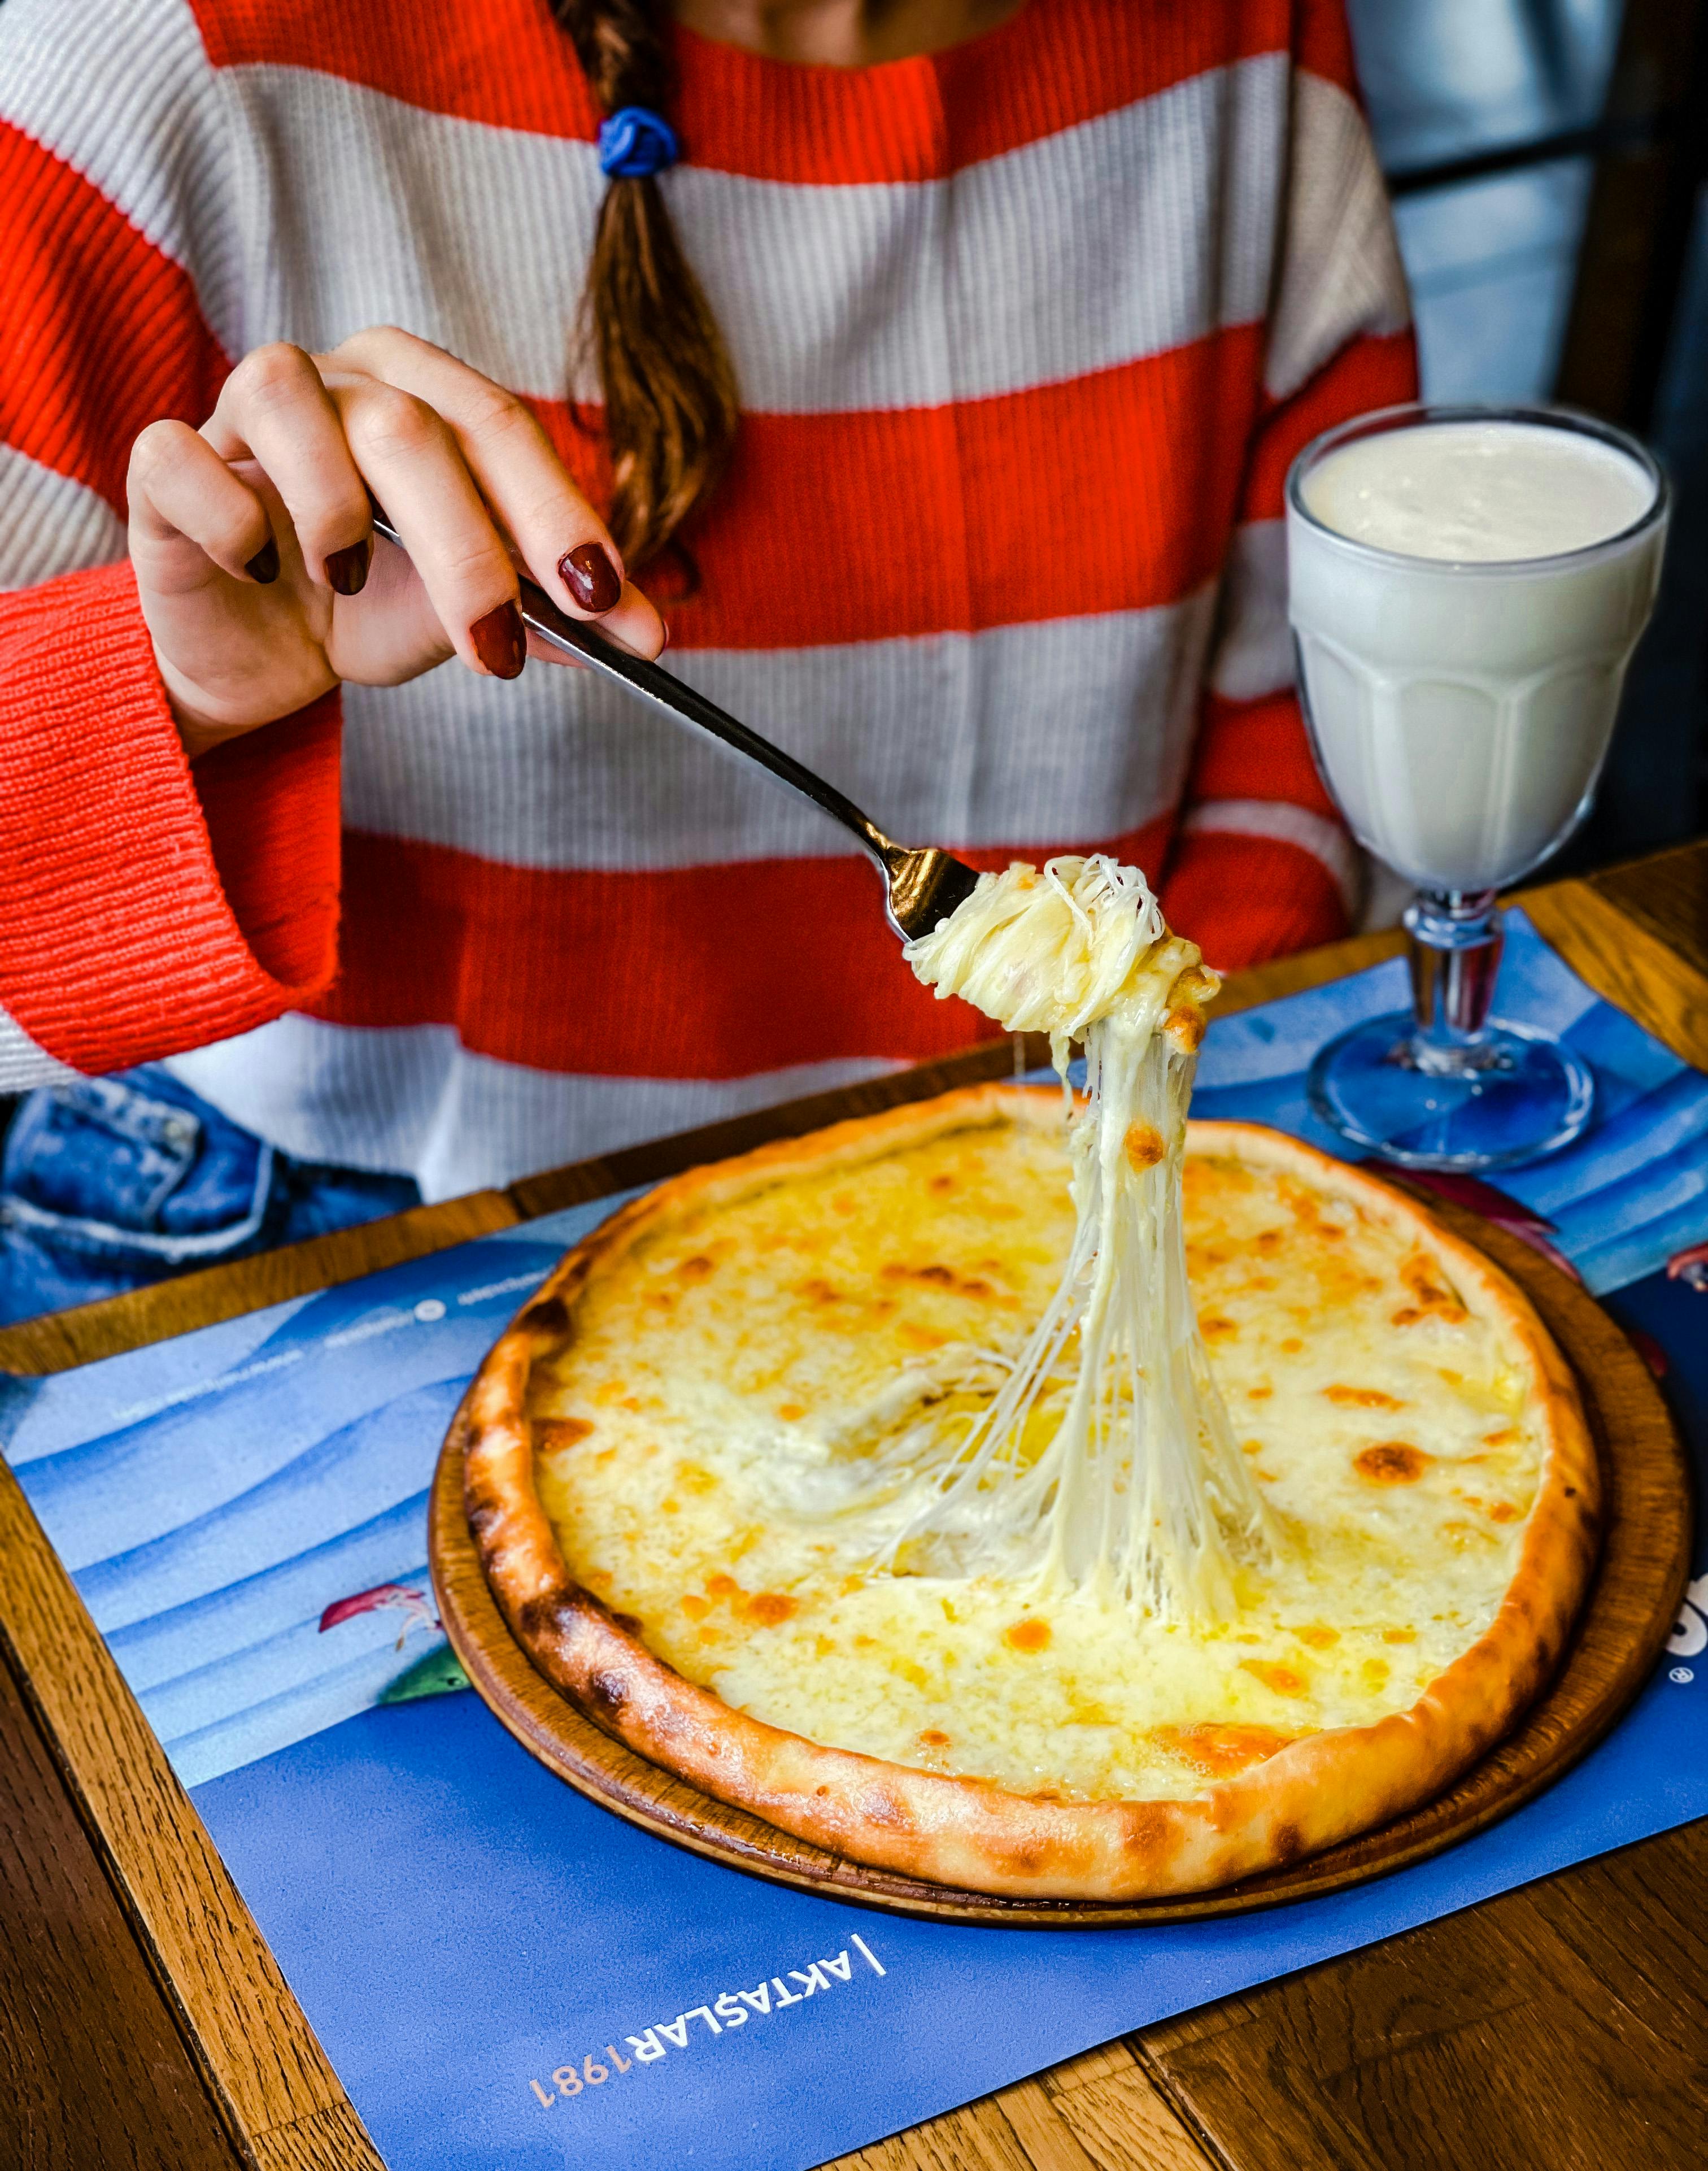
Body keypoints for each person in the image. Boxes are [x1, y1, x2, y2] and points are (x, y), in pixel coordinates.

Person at [0, 0, 1414, 1322]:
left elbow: (1308, 706)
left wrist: (1166, 1108)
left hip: (1037, 1196)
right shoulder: (158, 60)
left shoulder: (1249, 41)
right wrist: (180, 697)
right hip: (342, 1242)